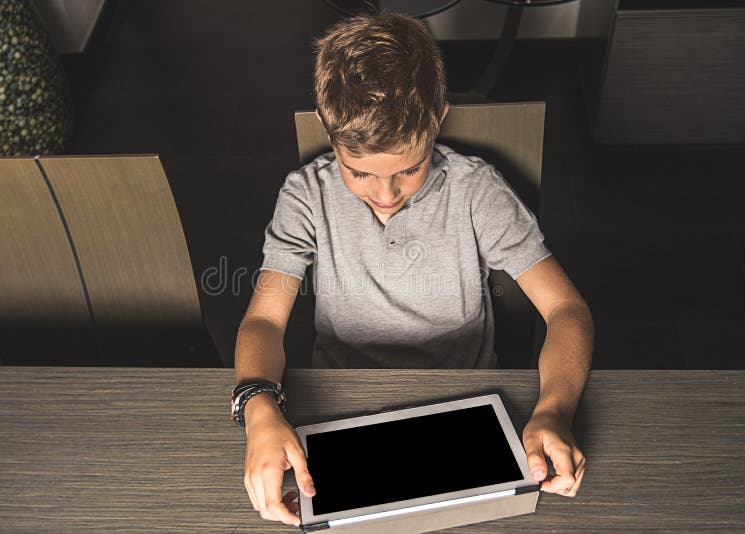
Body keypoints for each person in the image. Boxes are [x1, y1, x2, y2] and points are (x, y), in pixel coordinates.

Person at [234, 12, 594, 528]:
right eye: (359, 172)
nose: (386, 195)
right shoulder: (305, 196)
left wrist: (555, 408)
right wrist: (259, 407)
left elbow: (566, 309)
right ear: (326, 128)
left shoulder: (477, 192)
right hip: (340, 409)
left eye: (409, 168)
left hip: (467, 408)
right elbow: (264, 321)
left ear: (438, 119)